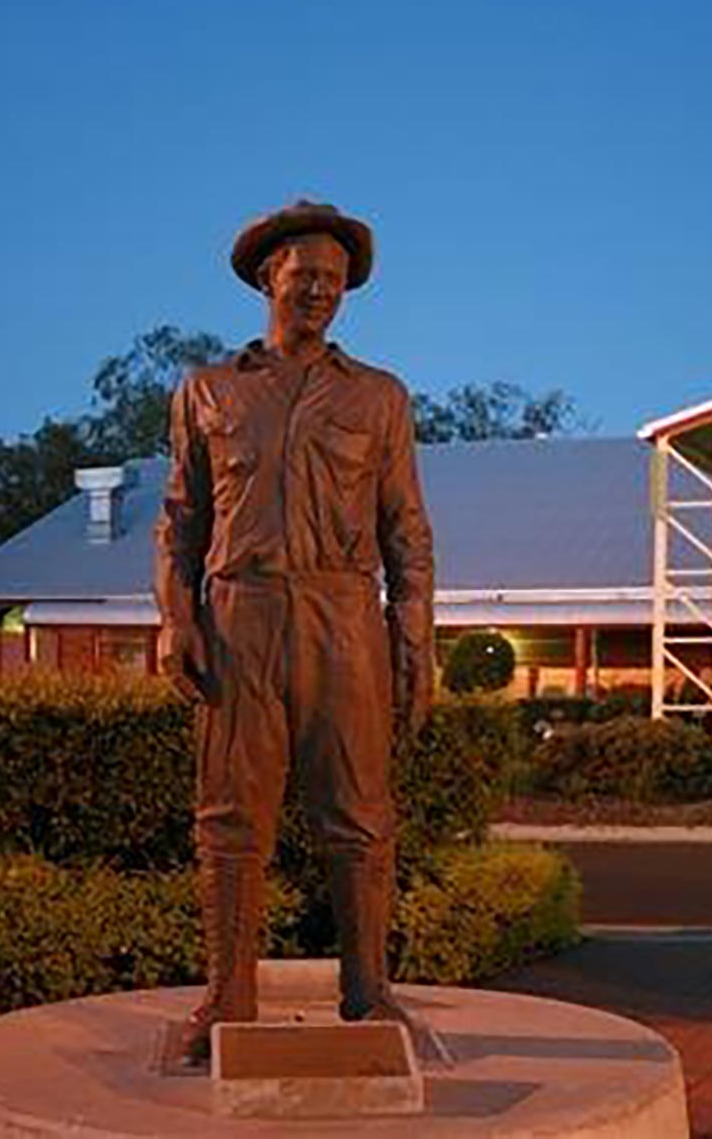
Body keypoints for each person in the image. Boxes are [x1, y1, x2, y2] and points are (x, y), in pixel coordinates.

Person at [153, 199, 435, 1064]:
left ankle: (369, 994)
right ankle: (227, 999)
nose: (320, 289)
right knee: (230, 818)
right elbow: (180, 520)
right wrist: (177, 619)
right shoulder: (209, 390)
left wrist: (415, 643)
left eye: (335, 280)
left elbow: (407, 532)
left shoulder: (379, 397)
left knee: (359, 815)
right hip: (240, 615)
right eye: (305, 273)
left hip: (344, 617)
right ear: (269, 277)